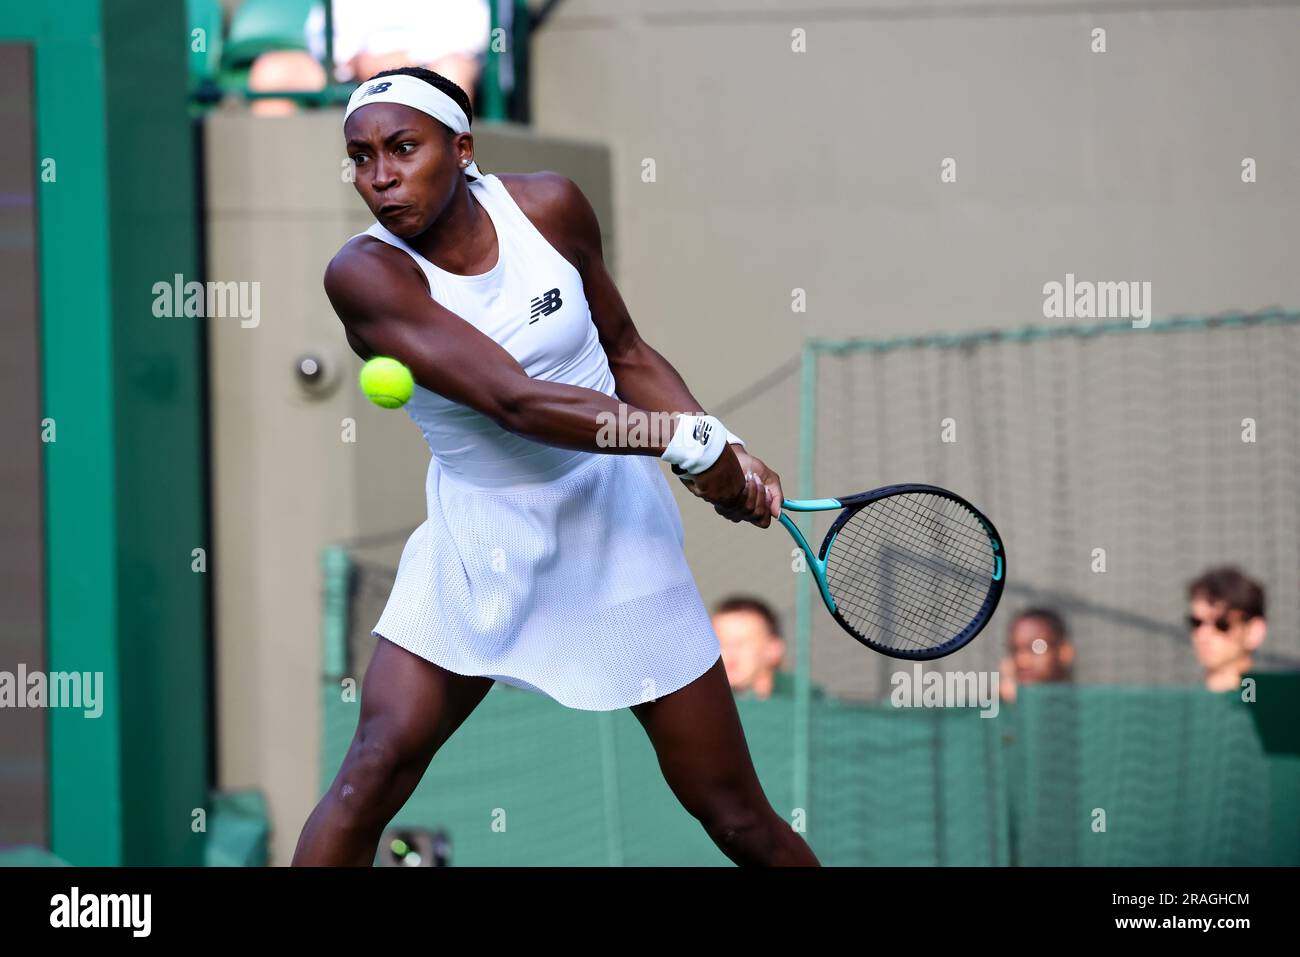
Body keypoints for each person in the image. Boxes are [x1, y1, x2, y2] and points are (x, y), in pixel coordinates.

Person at [292, 67, 819, 866]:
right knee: (370, 775)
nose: (381, 176)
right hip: (478, 542)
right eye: (361, 157)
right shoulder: (364, 274)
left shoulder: (550, 206)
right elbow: (514, 400)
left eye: (404, 148)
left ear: (462, 148)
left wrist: (721, 443)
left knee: (734, 814)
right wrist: (686, 446)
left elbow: (627, 350)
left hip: (616, 530)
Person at [248, 0, 490, 117]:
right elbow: (322, 33)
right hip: (350, 71)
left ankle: (441, 187)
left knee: (453, 74)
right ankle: (280, 185)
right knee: (273, 72)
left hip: (428, 67)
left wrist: (409, 59)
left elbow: (473, 32)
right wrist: (353, 61)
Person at [712, 595, 823, 701]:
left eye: (740, 643)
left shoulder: (808, 703)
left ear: (773, 649)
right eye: (719, 643)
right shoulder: (704, 703)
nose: (727, 652)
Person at [1186, 566, 1266, 693]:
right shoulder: (1183, 706)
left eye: (1222, 625)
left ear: (1254, 632)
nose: (1203, 635)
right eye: (1197, 623)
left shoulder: (1277, 707)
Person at [998, 608, 1073, 704]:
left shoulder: (1087, 710)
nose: (1023, 662)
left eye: (1038, 647)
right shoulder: (995, 707)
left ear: (1064, 652)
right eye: (1015, 649)